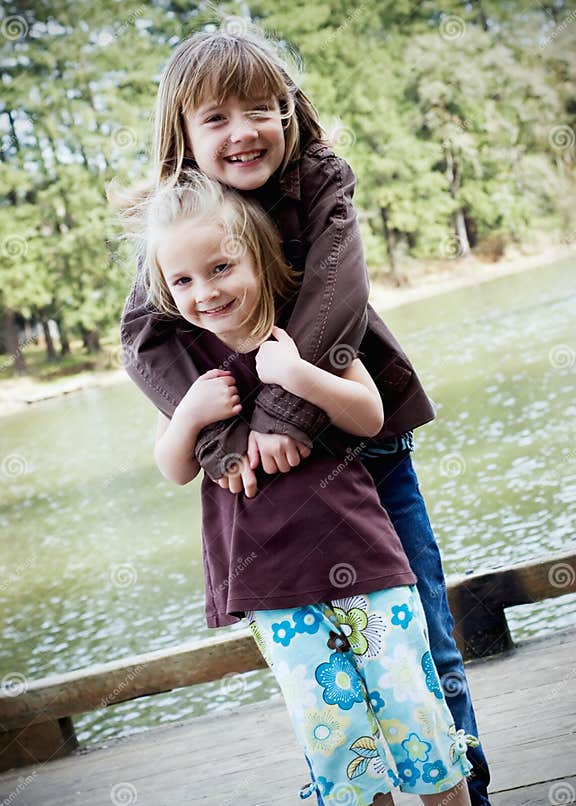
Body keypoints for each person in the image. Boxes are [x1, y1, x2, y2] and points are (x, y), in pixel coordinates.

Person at [115, 21, 491, 804]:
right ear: (181, 136)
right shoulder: (181, 222)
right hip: (270, 493)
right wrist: (224, 442)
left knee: (422, 640)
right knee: (325, 692)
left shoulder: (319, 177)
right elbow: (143, 336)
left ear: (289, 111)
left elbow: (336, 292)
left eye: (261, 108)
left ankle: (465, 792)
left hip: (363, 441)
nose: (244, 131)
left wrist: (281, 416)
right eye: (215, 118)